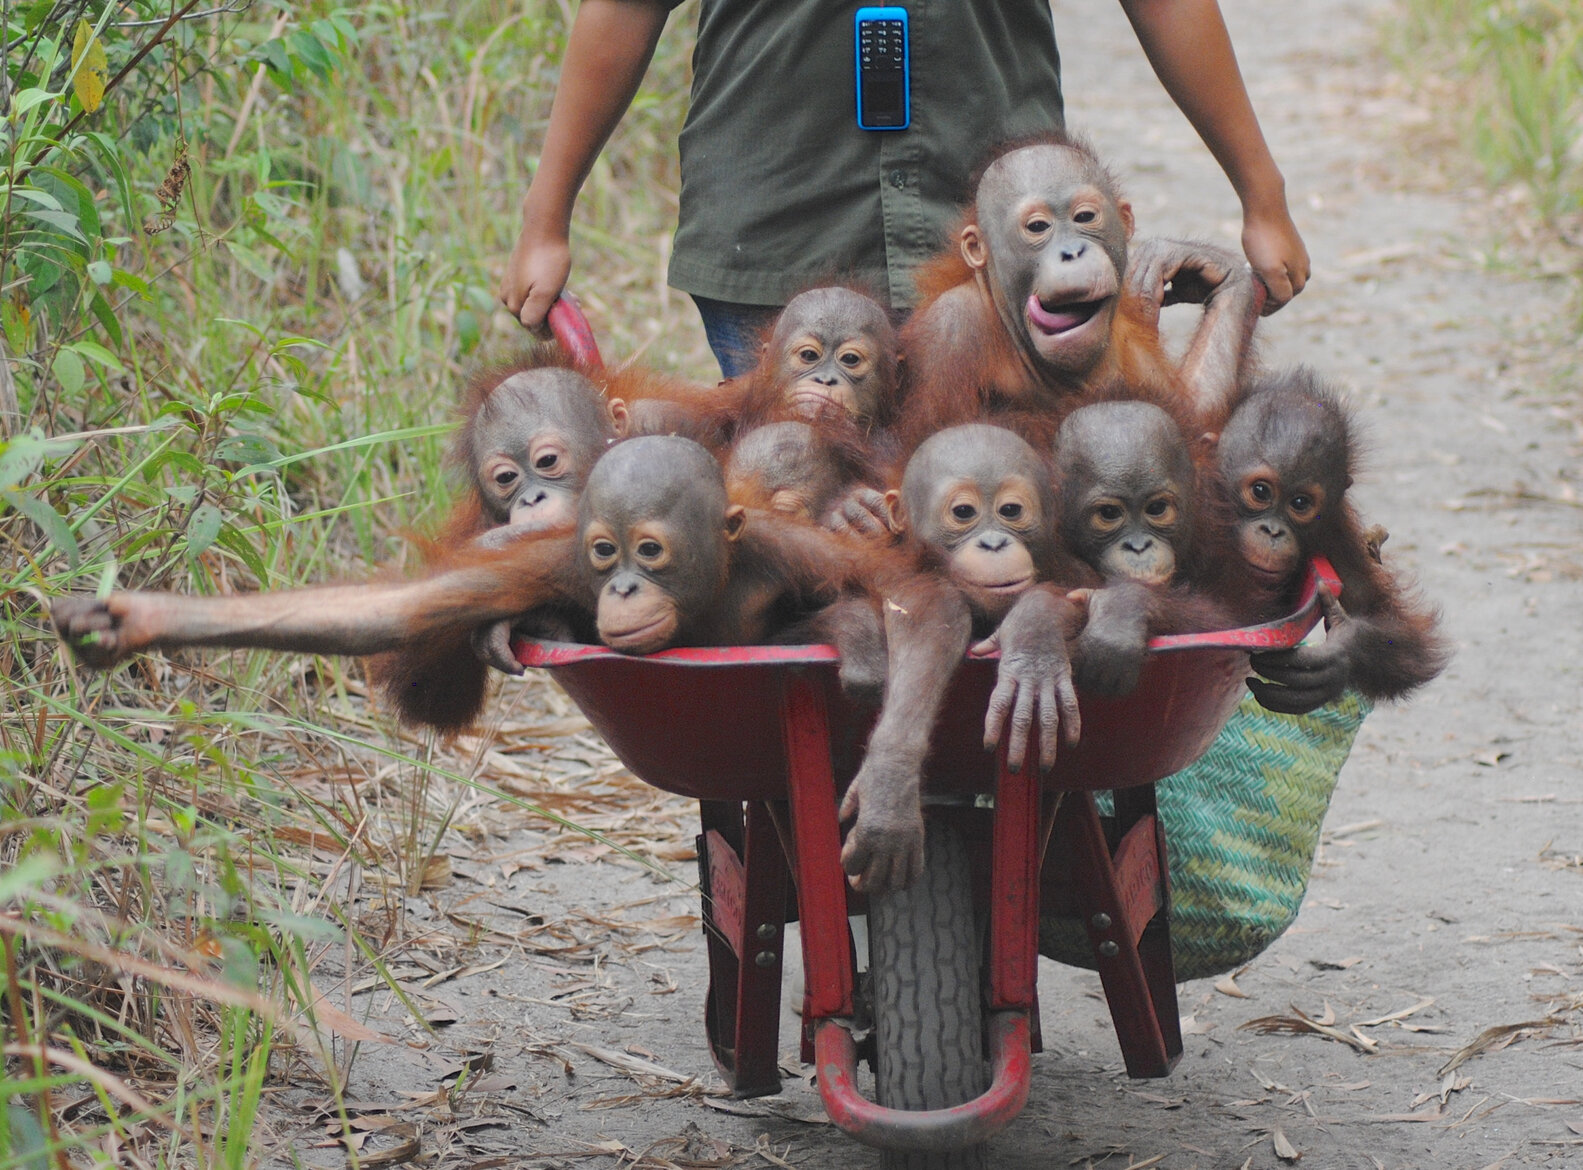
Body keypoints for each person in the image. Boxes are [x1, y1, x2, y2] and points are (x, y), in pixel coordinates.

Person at [499, 0, 1309, 378]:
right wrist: (547, 218)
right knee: (800, 491)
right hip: (777, 215)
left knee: (996, 496)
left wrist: (1259, 191)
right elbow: (621, 10)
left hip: (998, 232)